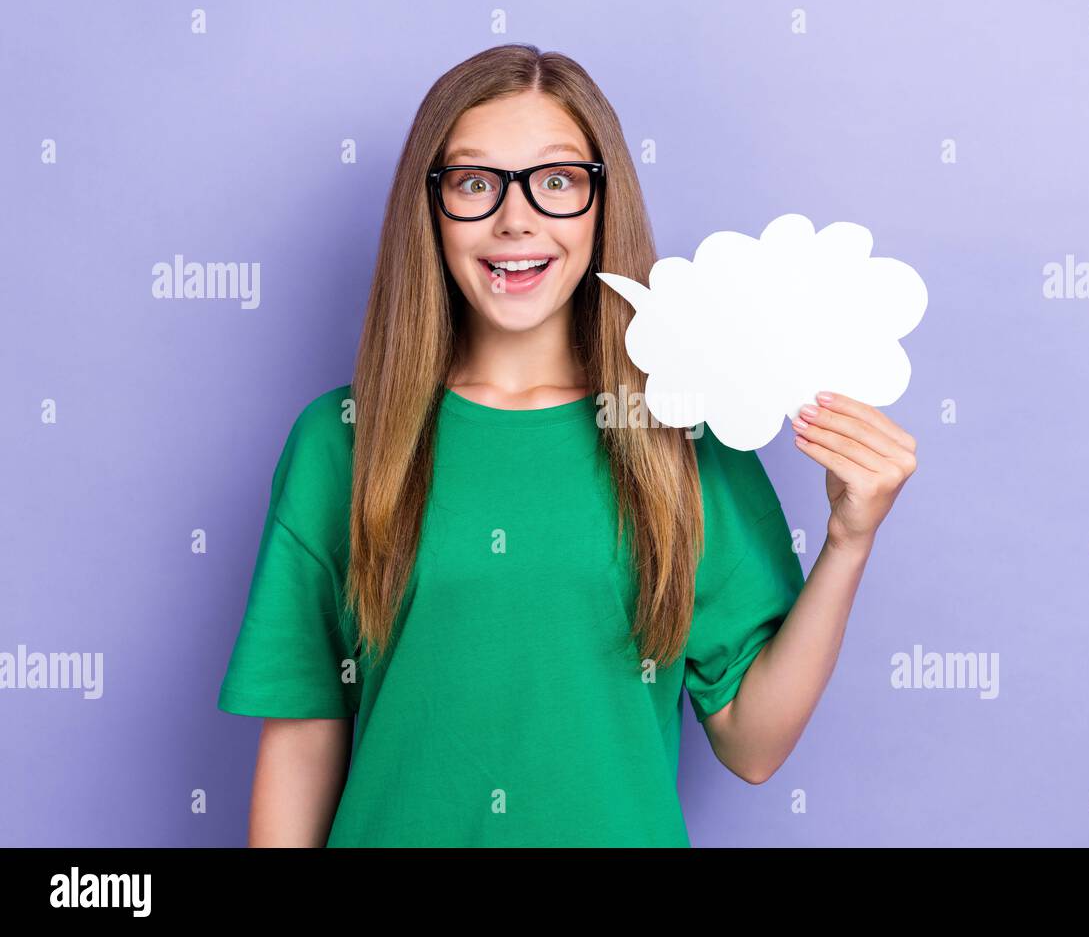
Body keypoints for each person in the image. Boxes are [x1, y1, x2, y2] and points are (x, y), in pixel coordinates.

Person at [216, 43, 917, 847]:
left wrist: (849, 542)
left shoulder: (684, 429)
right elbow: (304, 735)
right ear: (431, 209)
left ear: (600, 204)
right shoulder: (341, 441)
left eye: (555, 182)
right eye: (476, 183)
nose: (516, 218)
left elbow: (752, 745)